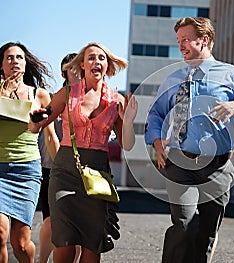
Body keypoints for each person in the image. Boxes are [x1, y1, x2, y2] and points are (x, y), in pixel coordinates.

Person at [144, 17, 234, 263]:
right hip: (180, 160)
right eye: (178, 40)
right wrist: (157, 142)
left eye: (186, 39)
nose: (181, 45)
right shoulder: (173, 79)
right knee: (184, 224)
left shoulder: (232, 75)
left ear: (204, 40)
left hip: (217, 167)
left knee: (205, 233)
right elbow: (156, 114)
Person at [28, 42, 138, 263]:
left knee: (91, 243)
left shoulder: (116, 100)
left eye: (101, 58)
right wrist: (34, 119)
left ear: (107, 65)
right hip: (65, 173)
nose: (96, 62)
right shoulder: (67, 93)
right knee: (64, 241)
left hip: (97, 175)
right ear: (82, 65)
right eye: (91, 58)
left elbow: (127, 145)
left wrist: (128, 122)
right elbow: (36, 127)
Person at [0, 42, 58, 263]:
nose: (15, 61)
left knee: (21, 244)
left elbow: (50, 137)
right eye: (9, 57)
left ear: (26, 63)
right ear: (2, 64)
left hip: (26, 172)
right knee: (0, 232)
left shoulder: (40, 95)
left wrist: (64, 167)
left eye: (19, 57)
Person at [37, 53, 80, 263]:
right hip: (52, 168)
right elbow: (49, 136)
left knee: (79, 227)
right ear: (64, 72)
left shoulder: (91, 99)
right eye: (70, 68)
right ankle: (42, 260)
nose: (75, 72)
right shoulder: (56, 98)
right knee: (50, 222)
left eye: (78, 67)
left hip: (81, 170)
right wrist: (61, 166)